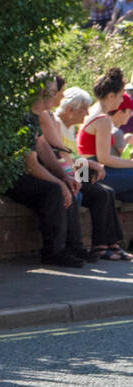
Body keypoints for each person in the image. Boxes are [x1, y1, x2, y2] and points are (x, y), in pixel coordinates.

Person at [5, 75, 88, 267]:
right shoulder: (27, 117)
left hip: (53, 169)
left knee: (75, 186)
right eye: (52, 93)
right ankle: (54, 252)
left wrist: (64, 176)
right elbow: (32, 163)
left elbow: (45, 146)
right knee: (55, 191)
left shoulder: (38, 117)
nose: (56, 97)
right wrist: (61, 182)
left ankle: (75, 246)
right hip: (14, 176)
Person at [53, 86, 131, 259]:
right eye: (83, 109)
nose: (86, 113)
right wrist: (90, 164)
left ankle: (107, 244)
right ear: (70, 109)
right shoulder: (57, 124)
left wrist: (89, 165)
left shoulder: (70, 127)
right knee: (101, 193)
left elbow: (72, 157)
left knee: (106, 192)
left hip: (75, 171)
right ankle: (100, 246)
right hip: (64, 173)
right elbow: (62, 158)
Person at [77, 69, 133, 200]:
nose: (121, 101)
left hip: (85, 171)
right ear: (111, 96)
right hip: (92, 174)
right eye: (120, 96)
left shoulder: (92, 110)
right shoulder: (103, 120)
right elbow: (104, 159)